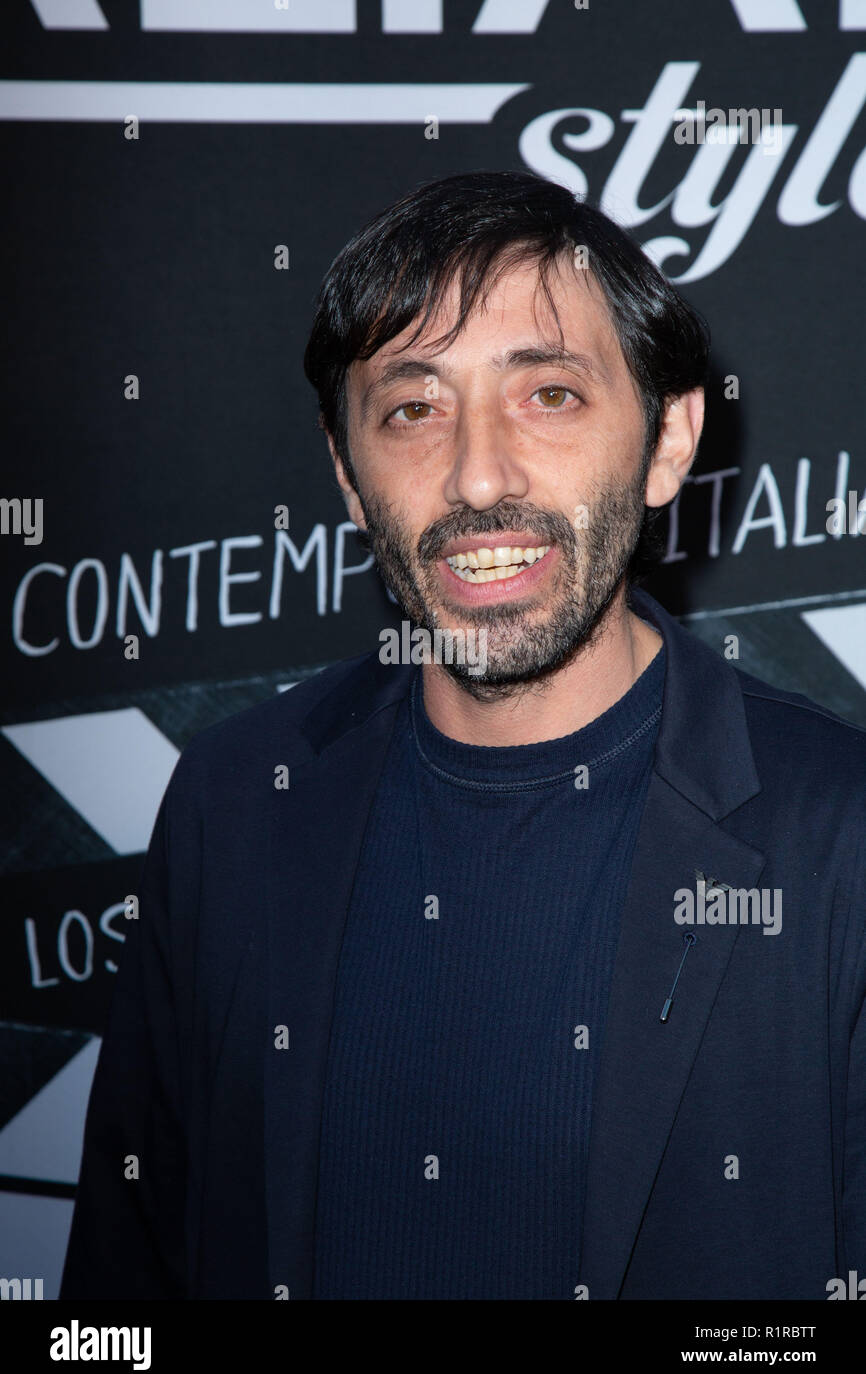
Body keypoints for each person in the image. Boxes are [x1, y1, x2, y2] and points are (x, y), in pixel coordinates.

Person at [61, 170, 866, 1301]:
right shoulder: (233, 801)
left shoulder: (838, 839)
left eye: (547, 394)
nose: (477, 473)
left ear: (667, 437)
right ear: (346, 474)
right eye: (411, 407)